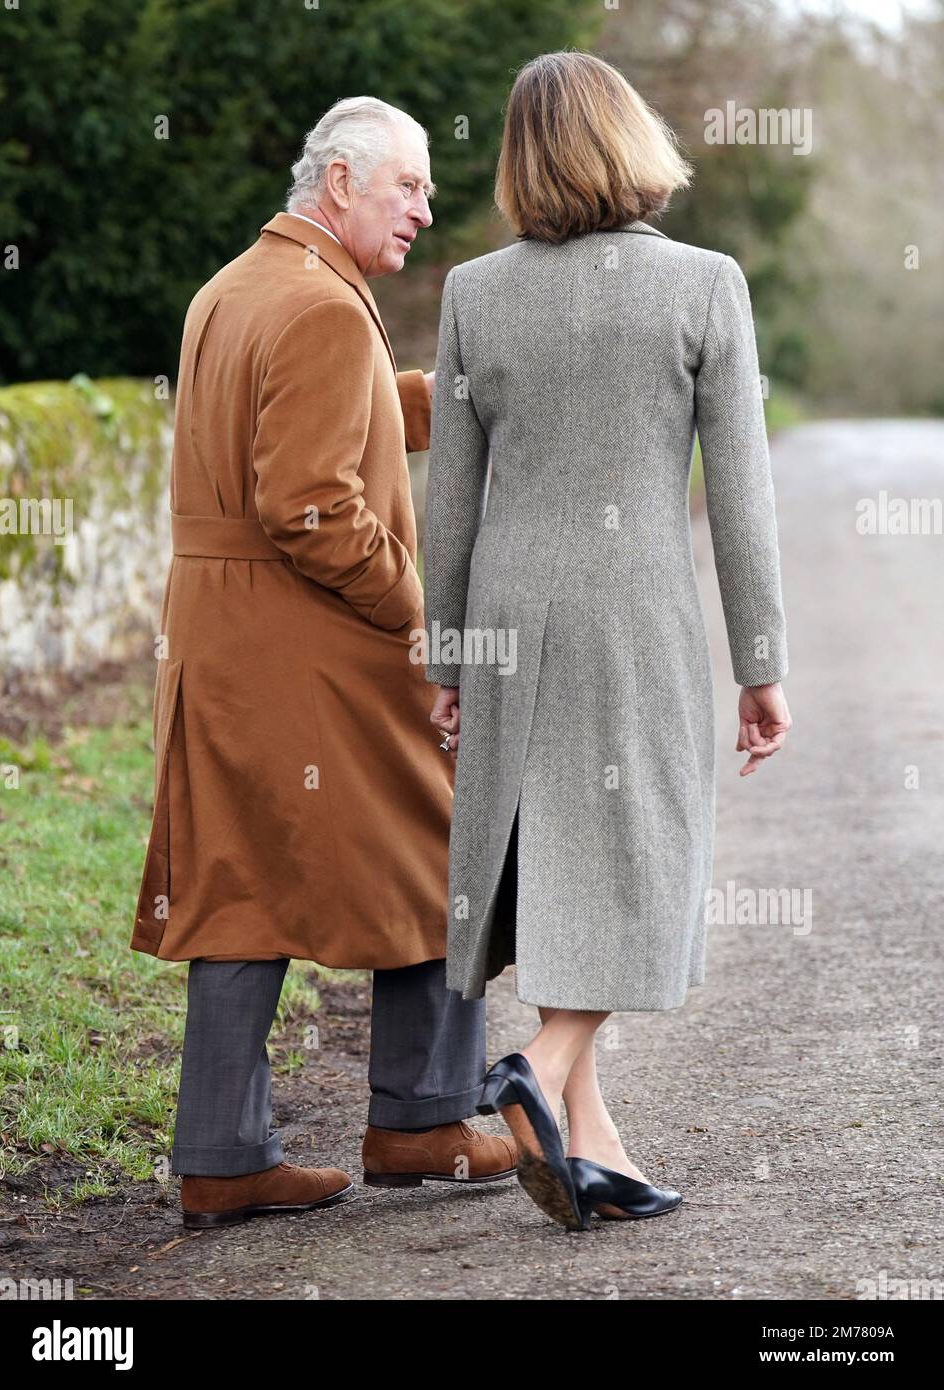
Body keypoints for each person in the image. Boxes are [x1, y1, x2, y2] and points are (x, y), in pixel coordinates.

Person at [131, 95, 516, 1229]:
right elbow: (305, 503)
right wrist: (422, 613)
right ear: (339, 182)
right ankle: (423, 1116)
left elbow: (301, 426)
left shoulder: (238, 285)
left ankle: (221, 1155)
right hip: (306, 642)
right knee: (442, 840)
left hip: (222, 633)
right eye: (407, 186)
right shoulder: (320, 308)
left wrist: (445, 401)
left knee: (239, 879)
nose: (425, 207)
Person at [423, 51, 792, 1231]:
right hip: (634, 611)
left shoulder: (475, 292)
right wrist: (760, 663)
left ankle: (595, 1144)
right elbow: (739, 495)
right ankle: (539, 1057)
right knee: (638, 858)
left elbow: (450, 499)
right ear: (630, 142)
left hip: (509, 612)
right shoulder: (703, 284)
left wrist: (446, 660)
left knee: (565, 867)